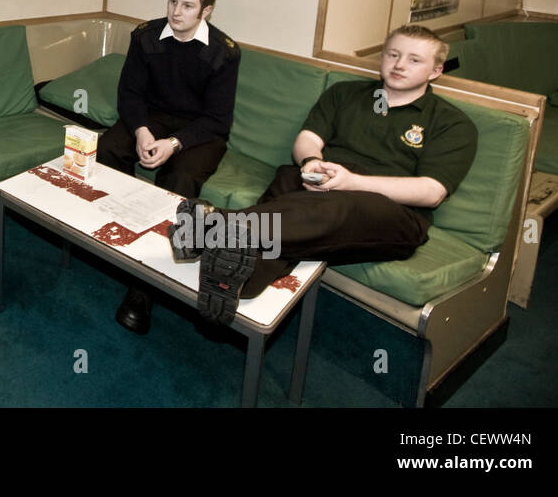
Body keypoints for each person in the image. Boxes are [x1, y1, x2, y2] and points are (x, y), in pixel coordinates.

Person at [172, 24, 478, 326]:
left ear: (436, 71)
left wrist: (353, 183)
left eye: (414, 60)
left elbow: (431, 191)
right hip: (324, 186)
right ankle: (240, 281)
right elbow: (308, 139)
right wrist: (311, 161)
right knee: (290, 177)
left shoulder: (451, 123)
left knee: (342, 204)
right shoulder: (345, 93)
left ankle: (216, 226)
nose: (399, 65)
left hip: (393, 211)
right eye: (393, 54)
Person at [97, 0, 241, 334]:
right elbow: (129, 95)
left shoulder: (224, 52)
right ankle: (116, 230)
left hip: (200, 130)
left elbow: (218, 120)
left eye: (187, 5)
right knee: (110, 147)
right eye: (173, 1)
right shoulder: (146, 36)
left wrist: (174, 144)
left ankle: (144, 288)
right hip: (154, 118)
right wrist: (142, 130)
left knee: (179, 178)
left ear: (206, 10)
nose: (176, 11)